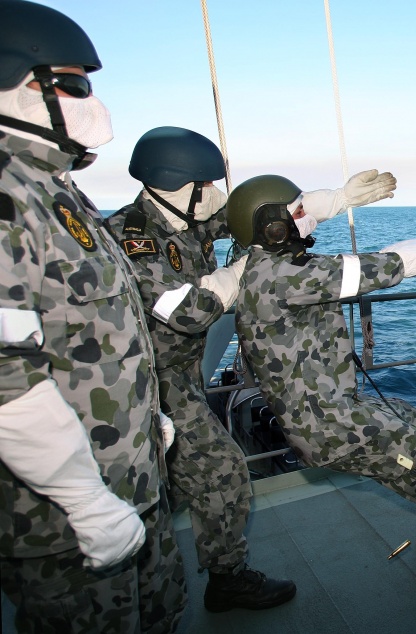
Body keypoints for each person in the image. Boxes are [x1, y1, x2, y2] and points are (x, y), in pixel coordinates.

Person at [227, 174, 416, 625]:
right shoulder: (286, 276)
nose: (306, 214)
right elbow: (392, 265)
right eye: (296, 211)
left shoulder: (260, 267)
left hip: (335, 407)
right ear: (272, 227)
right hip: (330, 425)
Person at [0, 2, 186, 632]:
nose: (92, 101)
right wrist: (83, 500)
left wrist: (143, 415)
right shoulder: (7, 197)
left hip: (130, 477)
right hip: (65, 519)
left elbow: (95, 330)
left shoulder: (57, 191)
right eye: (73, 85)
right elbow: (5, 379)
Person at [104, 126, 299, 613]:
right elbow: (188, 312)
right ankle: (208, 584)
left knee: (200, 482)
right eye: (206, 185)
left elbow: (251, 218)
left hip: (182, 379)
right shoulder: (134, 236)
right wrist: (237, 275)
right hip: (148, 387)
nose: (215, 194)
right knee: (214, 475)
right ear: (178, 185)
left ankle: (222, 577)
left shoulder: (186, 219)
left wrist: (331, 199)